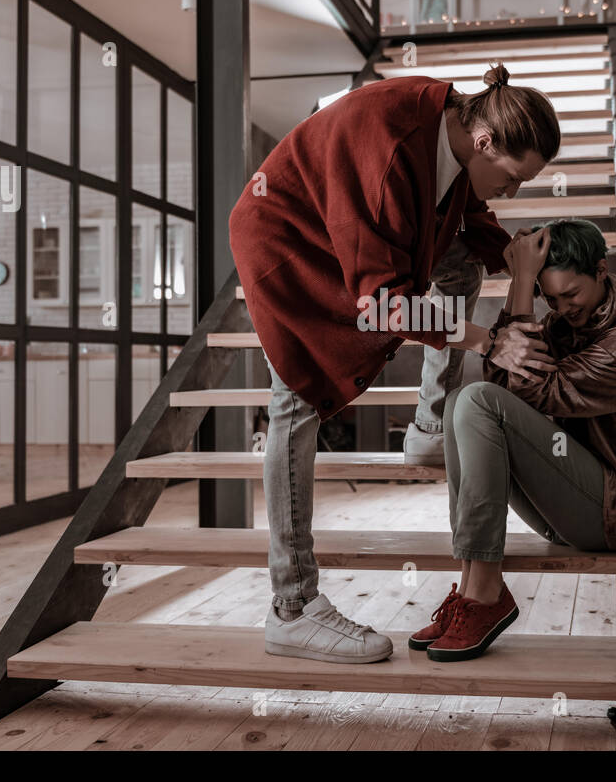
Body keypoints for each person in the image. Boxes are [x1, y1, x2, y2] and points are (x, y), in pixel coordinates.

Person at [228, 62, 563, 662]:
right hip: (288, 242)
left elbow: (464, 217)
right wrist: (487, 341)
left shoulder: (454, 126)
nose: (512, 193)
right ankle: (292, 606)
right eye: (513, 179)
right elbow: (384, 305)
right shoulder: (386, 149)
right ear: (485, 142)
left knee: (458, 261)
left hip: (344, 231)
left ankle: (430, 426)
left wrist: (524, 256)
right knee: (296, 401)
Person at [408, 218, 616, 662]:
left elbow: (526, 391)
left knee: (480, 401)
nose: (563, 308)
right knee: (457, 403)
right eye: (551, 298)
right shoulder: (562, 329)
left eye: (572, 294)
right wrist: (524, 288)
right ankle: (471, 582)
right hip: (565, 508)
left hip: (614, 513)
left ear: (602, 271)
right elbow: (497, 375)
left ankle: (487, 594)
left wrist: (523, 278)